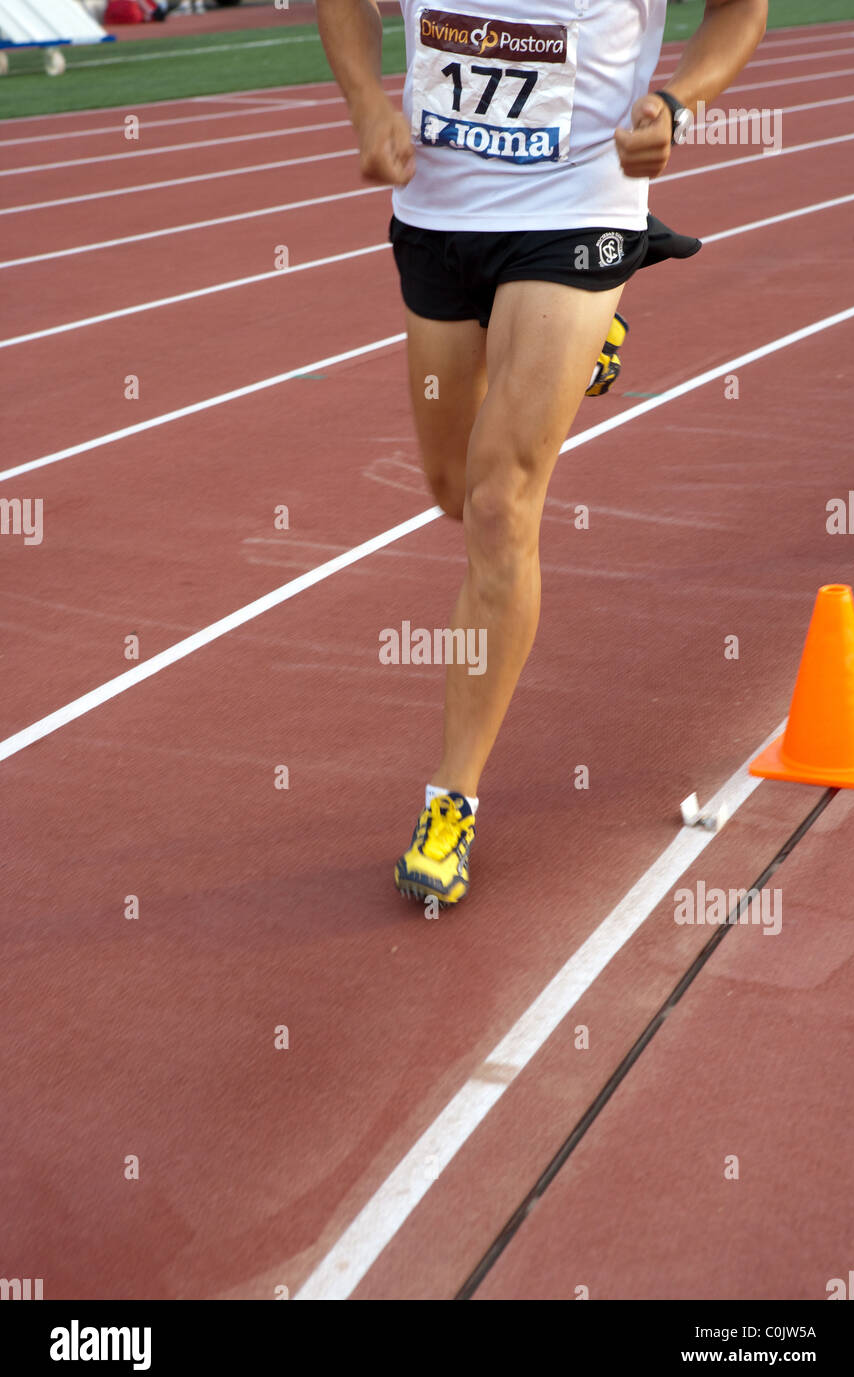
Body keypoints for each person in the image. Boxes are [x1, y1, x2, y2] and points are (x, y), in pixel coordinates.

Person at [317, 0, 768, 904]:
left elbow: (742, 8)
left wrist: (678, 104)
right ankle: (584, 340)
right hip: (439, 216)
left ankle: (451, 803)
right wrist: (367, 99)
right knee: (451, 488)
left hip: (579, 206)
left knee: (498, 504)